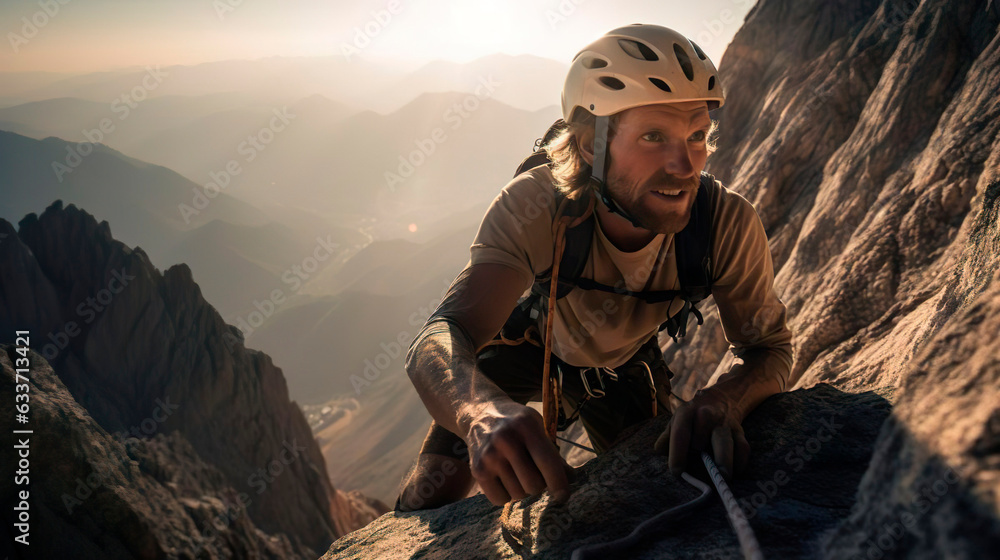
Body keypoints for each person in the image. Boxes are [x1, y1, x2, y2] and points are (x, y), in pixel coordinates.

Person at [396, 24, 792, 512]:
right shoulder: (536, 204)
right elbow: (439, 335)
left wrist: (727, 396)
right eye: (653, 136)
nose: (685, 165)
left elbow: (768, 350)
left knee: (649, 496)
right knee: (431, 491)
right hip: (528, 342)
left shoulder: (725, 224)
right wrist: (479, 410)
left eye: (698, 136)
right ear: (589, 146)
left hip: (621, 366)